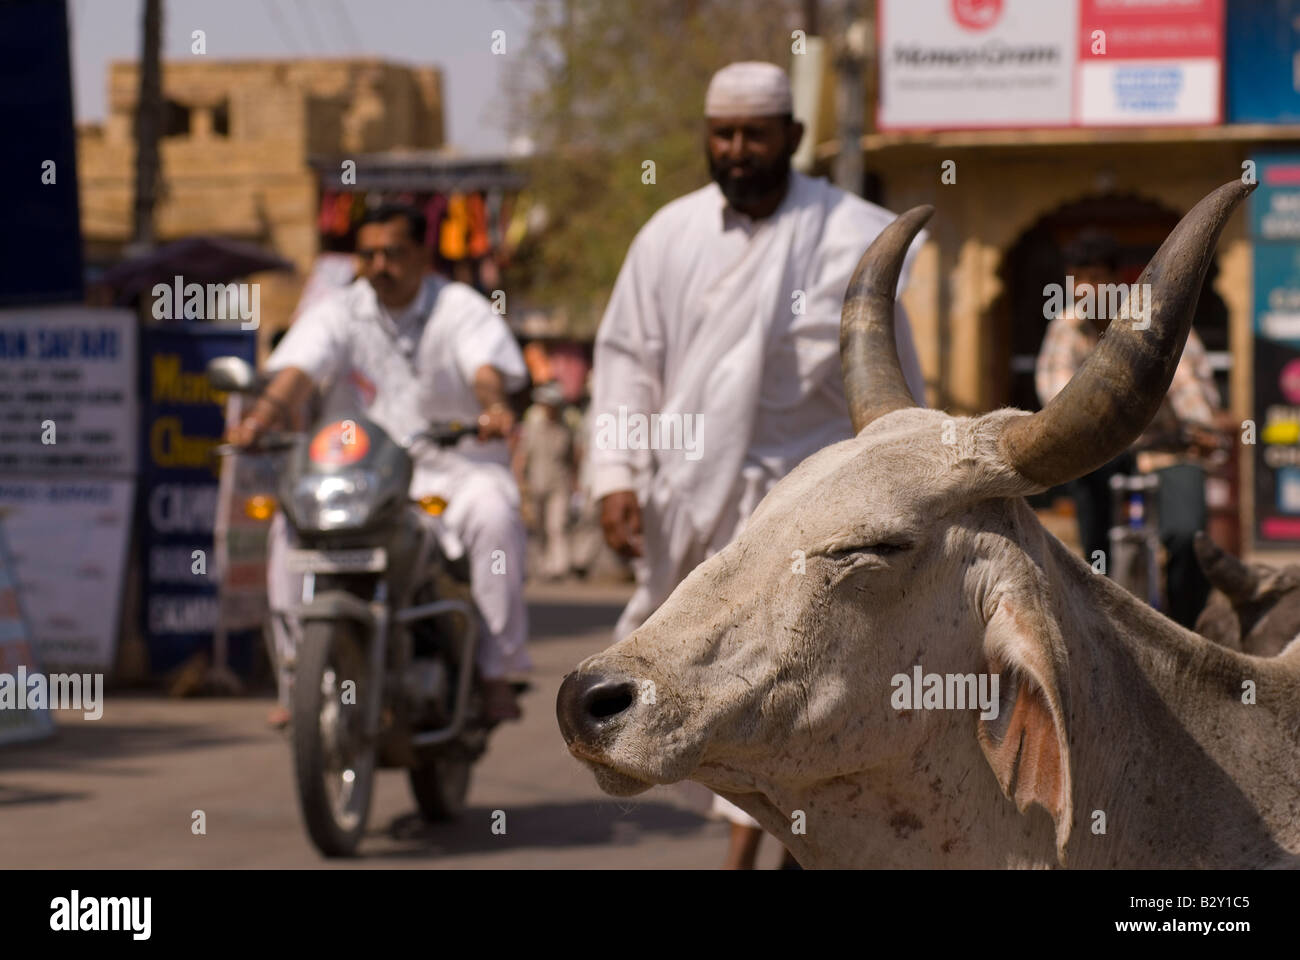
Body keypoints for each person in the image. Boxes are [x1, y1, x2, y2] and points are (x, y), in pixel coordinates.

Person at [589, 61, 925, 869]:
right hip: (689, 498)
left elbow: (892, 383)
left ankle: (748, 854)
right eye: (723, 135)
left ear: (793, 138)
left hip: (803, 513)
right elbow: (629, 362)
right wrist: (615, 476)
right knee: (692, 686)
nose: (737, 150)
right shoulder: (668, 236)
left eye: (755, 135)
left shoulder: (854, 236)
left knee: (776, 688)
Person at [227, 202, 532, 725]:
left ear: (422, 255)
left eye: (393, 252)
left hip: (451, 470)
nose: (380, 265)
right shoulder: (339, 311)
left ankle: (495, 668)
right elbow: (298, 371)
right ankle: (297, 674)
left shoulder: (459, 307)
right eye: (368, 254)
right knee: (288, 529)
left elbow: (484, 367)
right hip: (358, 478)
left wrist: (494, 407)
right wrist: (259, 421)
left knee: (495, 515)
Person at [1035, 229, 1223, 628]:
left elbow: (1186, 380)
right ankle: (1098, 620)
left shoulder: (1154, 318)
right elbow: (1055, 391)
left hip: (1168, 448)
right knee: (1094, 544)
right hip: (1102, 453)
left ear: (1115, 281)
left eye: (1098, 278)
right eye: (1080, 279)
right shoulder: (1067, 328)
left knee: (1188, 537)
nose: (1088, 288)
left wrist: (1200, 426)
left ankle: (1186, 629)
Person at [514, 381, 576, 580]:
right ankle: (539, 567)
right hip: (535, 483)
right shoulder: (532, 427)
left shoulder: (566, 428)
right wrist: (520, 481)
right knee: (537, 527)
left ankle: (558, 567)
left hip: (559, 483)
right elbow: (522, 456)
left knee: (557, 525)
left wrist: (576, 481)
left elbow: (573, 457)